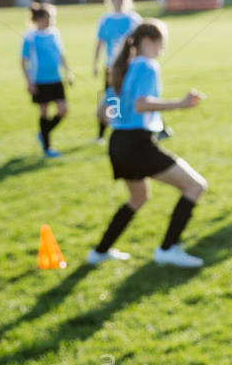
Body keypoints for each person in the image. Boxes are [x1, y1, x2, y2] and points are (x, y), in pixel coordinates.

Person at [87, 20, 209, 268]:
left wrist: (120, 122)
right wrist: (181, 104)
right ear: (147, 42)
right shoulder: (148, 66)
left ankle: (99, 252)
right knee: (196, 186)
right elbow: (141, 104)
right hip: (136, 144)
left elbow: (102, 112)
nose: (162, 50)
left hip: (119, 143)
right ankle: (167, 249)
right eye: (160, 43)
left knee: (139, 198)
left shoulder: (123, 67)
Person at [20, 2, 74, 158]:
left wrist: (68, 73)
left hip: (56, 79)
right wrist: (29, 82)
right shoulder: (30, 36)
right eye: (48, 18)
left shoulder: (55, 33)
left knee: (63, 110)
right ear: (38, 19)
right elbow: (23, 62)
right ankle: (47, 148)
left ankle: (43, 134)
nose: (51, 21)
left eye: (52, 17)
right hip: (39, 80)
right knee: (44, 112)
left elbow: (61, 54)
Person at [92, 0, 142, 140]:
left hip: (130, 66)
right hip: (112, 66)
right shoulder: (105, 19)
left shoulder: (134, 18)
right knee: (110, 98)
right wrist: (95, 63)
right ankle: (101, 135)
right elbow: (100, 43)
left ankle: (129, 131)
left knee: (130, 97)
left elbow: (140, 43)